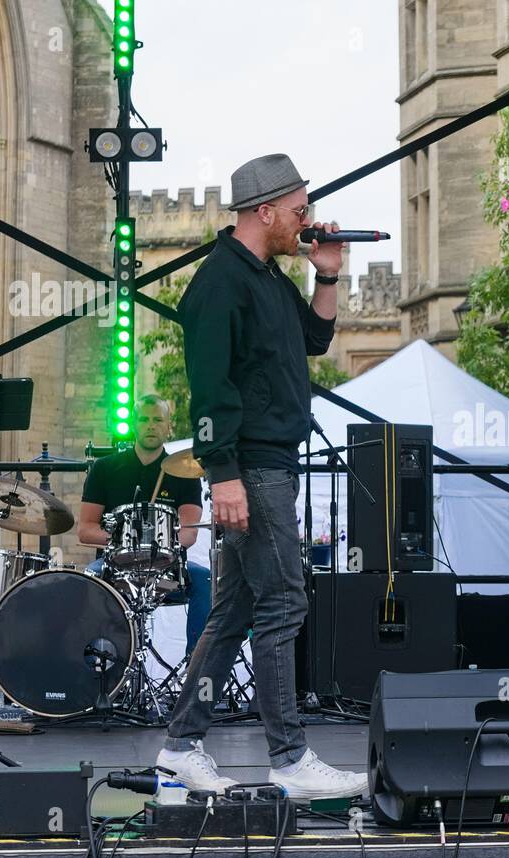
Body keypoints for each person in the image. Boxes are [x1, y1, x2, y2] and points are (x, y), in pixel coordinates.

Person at [154, 153, 366, 801]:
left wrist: (325, 275)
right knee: (283, 602)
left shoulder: (270, 278)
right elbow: (210, 389)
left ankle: (179, 746)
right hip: (252, 466)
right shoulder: (219, 284)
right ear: (265, 211)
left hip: (272, 463)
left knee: (236, 610)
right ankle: (290, 756)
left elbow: (316, 340)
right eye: (300, 211)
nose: (308, 220)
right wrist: (223, 477)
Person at [77, 395, 211, 653]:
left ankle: (196, 667)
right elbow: (85, 529)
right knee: (87, 580)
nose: (151, 425)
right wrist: (125, 540)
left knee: (204, 579)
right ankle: (101, 667)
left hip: (167, 569)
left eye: (158, 420)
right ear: (134, 424)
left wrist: (155, 544)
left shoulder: (185, 471)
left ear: (168, 426)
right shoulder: (105, 469)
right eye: (144, 419)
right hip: (115, 568)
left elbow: (189, 533)